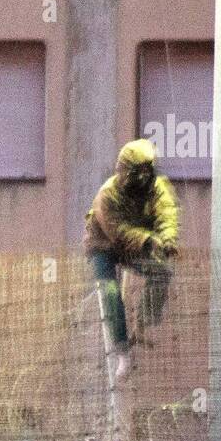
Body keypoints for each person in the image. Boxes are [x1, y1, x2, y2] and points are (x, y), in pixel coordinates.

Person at [84, 138, 180, 379]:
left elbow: (167, 212)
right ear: (125, 171)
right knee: (109, 291)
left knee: (162, 272)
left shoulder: (158, 187)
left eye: (148, 172)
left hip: (136, 243)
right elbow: (118, 231)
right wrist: (148, 240)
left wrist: (168, 239)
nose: (143, 178)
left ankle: (144, 325)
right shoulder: (107, 195)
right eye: (138, 172)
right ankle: (122, 351)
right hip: (103, 244)